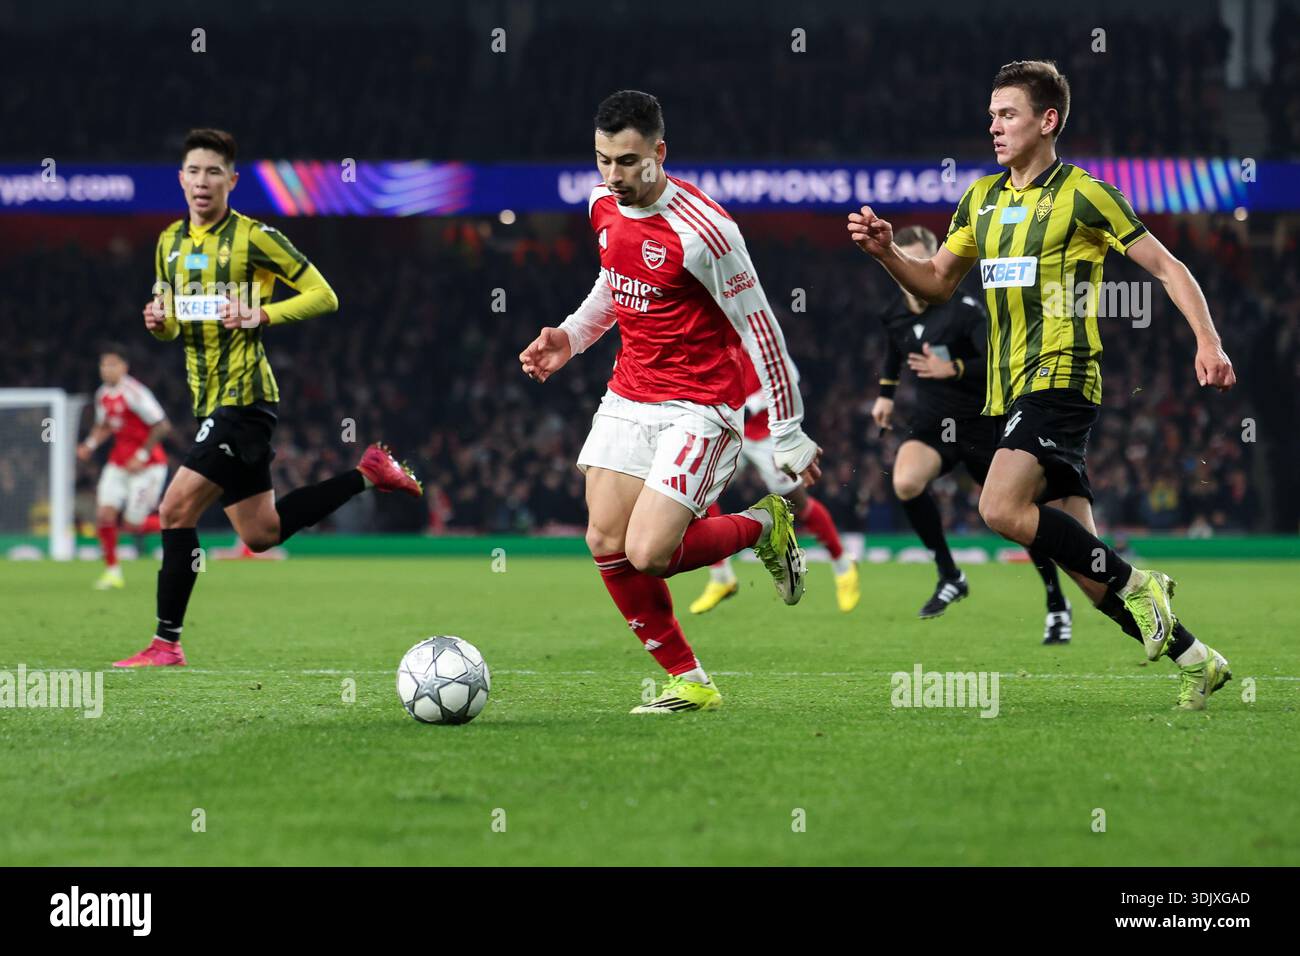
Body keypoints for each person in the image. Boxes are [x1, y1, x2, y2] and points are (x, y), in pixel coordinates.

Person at [848, 61, 1237, 709]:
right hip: (1007, 392)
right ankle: (1198, 660)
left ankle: (1142, 583)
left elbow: (1167, 267)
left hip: (1062, 375)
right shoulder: (982, 198)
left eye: (1007, 114)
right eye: (992, 114)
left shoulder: (1085, 194)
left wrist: (1208, 338)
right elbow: (938, 283)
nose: (993, 125)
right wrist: (888, 254)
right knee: (1087, 571)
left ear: (1047, 120)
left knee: (998, 508)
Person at [520, 91, 821, 713]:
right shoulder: (603, 204)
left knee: (650, 553)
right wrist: (570, 338)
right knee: (604, 541)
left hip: (701, 404)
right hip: (629, 394)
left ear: (660, 152)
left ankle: (765, 523)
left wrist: (789, 432)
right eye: (603, 160)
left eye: (629, 161)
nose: (613, 176)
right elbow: (614, 283)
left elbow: (761, 327)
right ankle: (692, 682)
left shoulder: (707, 232)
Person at [113, 129, 422, 669]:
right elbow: (168, 324)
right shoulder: (169, 243)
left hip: (246, 399)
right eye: (194, 171)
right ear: (181, 179)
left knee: (174, 507)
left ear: (232, 181)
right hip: (209, 401)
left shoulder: (255, 237)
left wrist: (263, 313)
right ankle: (368, 473)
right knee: (261, 533)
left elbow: (324, 294)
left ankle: (166, 643)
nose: (203, 181)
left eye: (215, 172)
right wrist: (157, 322)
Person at [873, 225, 1071, 641]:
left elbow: (1000, 362)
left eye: (914, 261)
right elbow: (894, 350)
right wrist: (886, 396)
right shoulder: (894, 312)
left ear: (928, 262)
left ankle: (1056, 601)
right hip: (931, 422)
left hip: (983, 421)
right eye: (900, 263)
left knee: (1012, 517)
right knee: (906, 481)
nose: (906, 270)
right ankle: (950, 574)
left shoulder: (964, 308)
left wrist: (955, 369)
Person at [690, 349, 859, 614]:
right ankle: (722, 577)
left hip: (765, 433)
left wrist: (752, 405)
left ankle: (843, 566)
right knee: (699, 493)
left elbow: (790, 374)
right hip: (732, 430)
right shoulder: (716, 331)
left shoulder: (753, 331)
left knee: (799, 505)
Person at [77, 343, 171, 590]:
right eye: (103, 364)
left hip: (148, 466)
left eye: (112, 364)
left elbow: (162, 425)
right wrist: (89, 444)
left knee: (133, 523)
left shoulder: (135, 393)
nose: (106, 369)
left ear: (124, 367)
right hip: (118, 463)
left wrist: (141, 455)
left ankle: (178, 523)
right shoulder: (102, 395)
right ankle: (112, 571)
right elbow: (105, 425)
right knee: (104, 514)